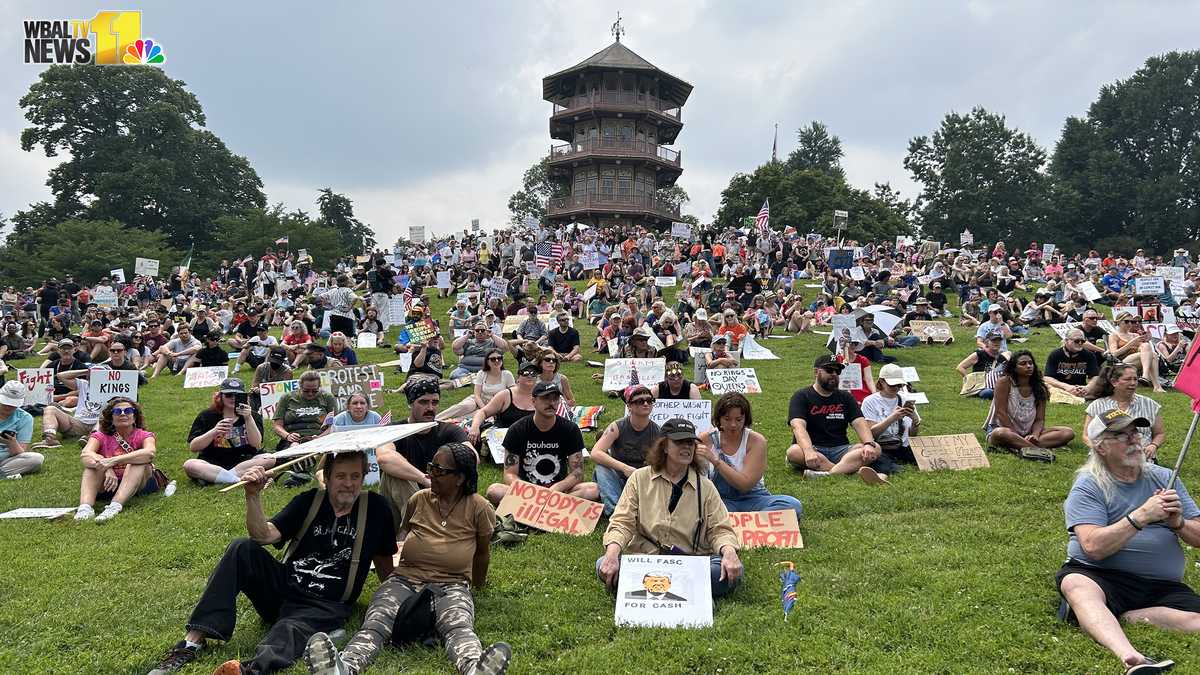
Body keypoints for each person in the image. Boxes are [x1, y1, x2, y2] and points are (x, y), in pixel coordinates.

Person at [146, 452, 397, 675]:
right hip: (284, 588)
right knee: (241, 548)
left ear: (364, 476)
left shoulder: (377, 510)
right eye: (341, 476)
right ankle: (193, 641)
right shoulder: (309, 501)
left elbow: (385, 564)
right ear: (328, 477)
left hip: (325, 605)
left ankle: (251, 670)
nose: (349, 484)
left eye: (355, 476)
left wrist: (393, 603)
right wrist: (252, 495)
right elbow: (263, 536)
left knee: (288, 628)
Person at [302, 443, 512, 675]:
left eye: (439, 470)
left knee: (458, 626)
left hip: (451, 584)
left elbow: (482, 553)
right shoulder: (418, 500)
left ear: (460, 478)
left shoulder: (479, 508)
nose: (431, 474)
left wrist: (478, 585)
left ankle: (474, 667)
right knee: (376, 624)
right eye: (431, 467)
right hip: (404, 579)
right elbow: (403, 536)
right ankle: (344, 667)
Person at [1055, 410, 1200, 675]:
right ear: (1100, 447)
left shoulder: (1165, 478)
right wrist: (1141, 516)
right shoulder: (1089, 485)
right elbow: (1093, 547)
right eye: (1122, 435)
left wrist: (1178, 522)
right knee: (1076, 584)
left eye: (1135, 432)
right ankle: (1131, 657)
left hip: (1160, 586)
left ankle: (1127, 616)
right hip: (1100, 575)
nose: (1134, 440)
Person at [597, 419, 743, 598]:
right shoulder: (639, 479)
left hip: (690, 562)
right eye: (680, 442)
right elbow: (622, 522)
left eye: (690, 442)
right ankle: (689, 587)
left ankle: (652, 585)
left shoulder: (706, 487)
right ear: (664, 446)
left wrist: (729, 552)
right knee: (603, 564)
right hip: (646, 559)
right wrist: (612, 554)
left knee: (726, 571)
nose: (687, 447)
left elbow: (720, 529)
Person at [484, 380, 598, 505]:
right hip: (526, 491)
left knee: (593, 489)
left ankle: (542, 505)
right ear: (533, 401)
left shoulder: (570, 429)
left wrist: (557, 488)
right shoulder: (517, 429)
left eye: (555, 399)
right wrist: (530, 491)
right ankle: (550, 506)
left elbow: (578, 473)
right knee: (494, 491)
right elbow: (509, 474)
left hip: (559, 492)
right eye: (546, 398)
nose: (551, 403)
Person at [376, 377, 471, 526]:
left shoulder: (448, 430)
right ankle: (424, 528)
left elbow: (472, 456)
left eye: (435, 402)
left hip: (439, 500)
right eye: (423, 402)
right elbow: (384, 458)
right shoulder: (392, 430)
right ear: (410, 403)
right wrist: (425, 479)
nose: (430, 408)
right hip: (399, 508)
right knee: (394, 474)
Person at [785, 355, 889, 484]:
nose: (834, 374)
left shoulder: (846, 397)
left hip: (841, 450)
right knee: (793, 451)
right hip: (814, 449)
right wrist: (808, 451)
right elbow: (798, 427)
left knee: (875, 447)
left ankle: (827, 474)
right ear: (816, 372)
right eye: (829, 370)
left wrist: (868, 444)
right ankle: (848, 470)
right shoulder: (801, 396)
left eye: (838, 371)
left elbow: (860, 423)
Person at [699, 393, 803, 517]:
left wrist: (716, 461)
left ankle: (738, 521)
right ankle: (751, 520)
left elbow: (745, 485)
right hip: (721, 500)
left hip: (753, 498)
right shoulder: (705, 439)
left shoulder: (756, 441)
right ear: (719, 419)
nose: (733, 425)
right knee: (701, 509)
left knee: (792, 505)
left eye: (738, 420)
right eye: (727, 419)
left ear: (745, 419)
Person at [73, 398, 160, 522]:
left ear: (134, 417)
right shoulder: (100, 436)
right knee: (91, 466)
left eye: (128, 411)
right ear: (111, 418)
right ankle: (85, 508)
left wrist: (114, 461)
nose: (123, 414)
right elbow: (85, 455)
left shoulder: (144, 435)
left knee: (137, 462)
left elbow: (149, 453)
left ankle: (114, 506)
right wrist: (106, 468)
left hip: (138, 483)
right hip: (107, 484)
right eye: (117, 411)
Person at [984, 350, 1076, 460]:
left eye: (1030, 363)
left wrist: (1035, 435)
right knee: (1001, 433)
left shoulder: (1040, 388)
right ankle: (1039, 451)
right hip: (1005, 429)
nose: (1028, 366)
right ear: (1014, 368)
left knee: (1067, 432)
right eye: (1023, 364)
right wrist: (1015, 434)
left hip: (1028, 433)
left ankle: (1020, 445)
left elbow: (1040, 419)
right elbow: (1001, 413)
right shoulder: (1005, 382)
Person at [184, 378, 273, 486]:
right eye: (228, 395)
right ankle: (235, 479)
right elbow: (193, 447)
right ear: (220, 396)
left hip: (244, 461)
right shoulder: (207, 415)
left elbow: (256, 444)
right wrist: (214, 431)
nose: (233, 398)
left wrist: (248, 418)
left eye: (238, 395)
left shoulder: (253, 416)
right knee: (189, 465)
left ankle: (217, 477)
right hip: (212, 461)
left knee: (270, 458)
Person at [590, 385, 661, 517]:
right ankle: (616, 513)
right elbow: (595, 453)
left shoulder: (657, 431)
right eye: (640, 401)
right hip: (617, 479)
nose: (646, 404)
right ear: (629, 406)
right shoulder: (617, 426)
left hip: (642, 482)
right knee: (601, 468)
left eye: (649, 400)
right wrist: (625, 468)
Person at [1084, 363, 1166, 461]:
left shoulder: (1150, 404)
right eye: (1128, 379)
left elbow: (1159, 433)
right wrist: (1098, 447)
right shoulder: (1097, 405)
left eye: (1135, 379)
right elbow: (1086, 435)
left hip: (1141, 459)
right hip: (1106, 458)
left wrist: (1153, 445)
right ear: (1114, 382)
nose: (1133, 383)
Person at [861, 364, 922, 468]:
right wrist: (892, 418)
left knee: (927, 458)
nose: (896, 388)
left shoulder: (905, 399)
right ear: (881, 382)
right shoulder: (870, 401)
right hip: (881, 447)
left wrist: (915, 422)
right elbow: (871, 434)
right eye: (892, 385)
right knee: (882, 464)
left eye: (899, 385)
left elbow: (912, 436)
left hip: (903, 447)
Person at [467, 361, 537, 446]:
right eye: (525, 373)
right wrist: (475, 427)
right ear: (517, 378)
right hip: (503, 440)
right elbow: (483, 412)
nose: (530, 376)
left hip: (532, 441)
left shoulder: (542, 397)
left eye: (533, 373)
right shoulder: (505, 395)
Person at [437, 349, 514, 422]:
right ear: (487, 361)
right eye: (493, 359)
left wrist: (486, 410)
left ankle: (448, 422)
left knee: (476, 414)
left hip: (495, 405)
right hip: (479, 400)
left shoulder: (507, 375)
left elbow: (513, 394)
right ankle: (436, 419)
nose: (497, 361)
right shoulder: (482, 373)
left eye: (499, 358)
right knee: (466, 406)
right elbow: (477, 395)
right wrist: (483, 408)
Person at [271, 371, 336, 451]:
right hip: (293, 438)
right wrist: (287, 436)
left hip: (320, 436)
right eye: (306, 391)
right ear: (300, 386)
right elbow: (277, 425)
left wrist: (320, 437)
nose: (310, 394)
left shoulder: (327, 398)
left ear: (319, 387)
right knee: (295, 448)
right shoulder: (287, 398)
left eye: (315, 391)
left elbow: (334, 424)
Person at [1108, 312, 1165, 393]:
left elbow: (1145, 350)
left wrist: (1147, 340)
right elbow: (1114, 354)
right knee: (1153, 354)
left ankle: (1154, 384)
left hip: (1137, 361)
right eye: (1127, 321)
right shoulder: (1114, 335)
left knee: (1152, 353)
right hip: (1121, 362)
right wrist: (1131, 343)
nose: (1129, 324)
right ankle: (1151, 381)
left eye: (1132, 322)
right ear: (1119, 322)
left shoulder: (1135, 335)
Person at [0, 381, 42, 478]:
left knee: (36, 459)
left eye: (13, 404)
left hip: (6, 458)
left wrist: (11, 442)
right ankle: (5, 473)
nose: (8, 406)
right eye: (6, 402)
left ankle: (2, 472)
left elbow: (21, 452)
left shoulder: (25, 418)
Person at [1045, 329, 1102, 399]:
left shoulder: (1089, 355)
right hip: (1060, 388)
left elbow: (1095, 376)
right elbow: (1047, 378)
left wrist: (1088, 387)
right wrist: (1066, 387)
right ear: (1066, 341)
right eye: (1076, 341)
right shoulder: (1055, 354)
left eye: (1082, 341)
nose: (1080, 343)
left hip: (1081, 388)